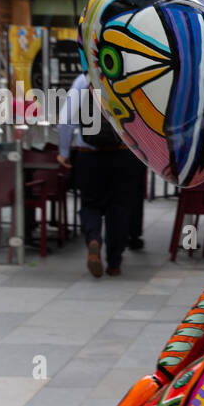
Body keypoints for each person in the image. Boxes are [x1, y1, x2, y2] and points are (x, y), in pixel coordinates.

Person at [58, 73, 143, 278]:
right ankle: (114, 263)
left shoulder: (83, 81)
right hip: (123, 155)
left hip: (89, 156)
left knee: (90, 204)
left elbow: (65, 122)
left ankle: (94, 240)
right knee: (120, 207)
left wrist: (64, 152)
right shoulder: (131, 78)